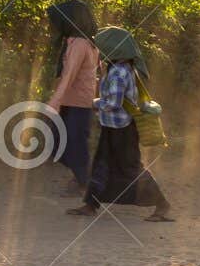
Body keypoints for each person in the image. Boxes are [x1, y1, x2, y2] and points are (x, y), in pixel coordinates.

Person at [67, 27, 173, 222]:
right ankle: (91, 204)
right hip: (115, 128)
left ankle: (162, 205)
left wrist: (94, 103)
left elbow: (113, 104)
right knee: (101, 165)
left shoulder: (117, 73)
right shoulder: (123, 68)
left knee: (131, 168)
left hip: (121, 130)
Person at [45, 0, 98, 194]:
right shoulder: (82, 41)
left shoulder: (80, 43)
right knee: (59, 143)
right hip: (73, 101)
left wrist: (54, 102)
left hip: (77, 102)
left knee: (72, 145)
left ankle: (88, 183)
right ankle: (83, 179)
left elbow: (69, 76)